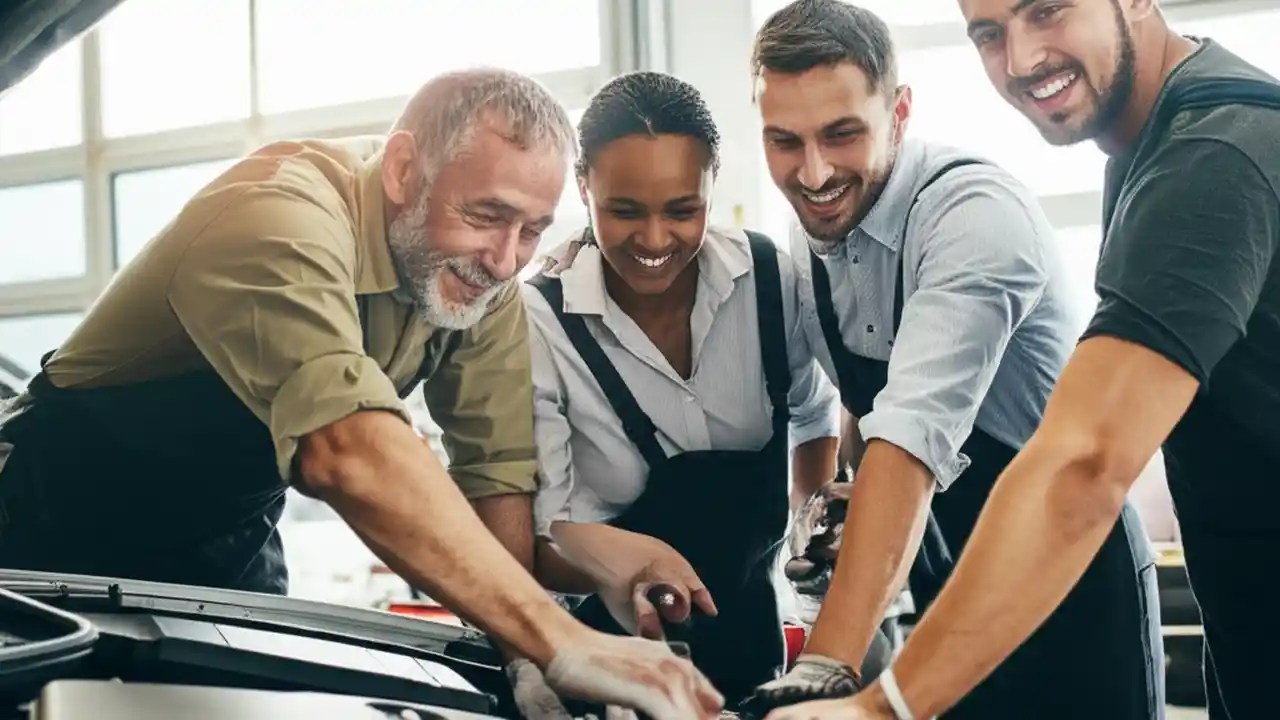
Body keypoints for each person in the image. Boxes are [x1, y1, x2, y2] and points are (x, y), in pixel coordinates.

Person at [0, 68, 721, 720]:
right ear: (404, 169)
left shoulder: (483, 283)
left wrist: (523, 657)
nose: (506, 259)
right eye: (485, 216)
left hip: (226, 540)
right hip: (54, 521)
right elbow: (345, 449)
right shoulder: (275, 218)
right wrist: (563, 639)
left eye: (532, 229)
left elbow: (494, 478)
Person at [769, 0, 1280, 718]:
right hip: (1247, 632)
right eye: (988, 34)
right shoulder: (1153, 147)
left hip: (1082, 595)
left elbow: (1084, 462)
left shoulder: (1210, 157)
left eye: (1047, 10)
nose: (1020, 60)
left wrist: (874, 705)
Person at [514, 70, 849, 714]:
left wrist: (811, 524)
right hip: (606, 661)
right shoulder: (539, 321)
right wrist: (627, 563)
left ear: (713, 185)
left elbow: (811, 414)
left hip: (755, 650)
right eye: (624, 210)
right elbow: (537, 534)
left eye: (682, 209)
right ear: (583, 188)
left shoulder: (770, 281)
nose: (655, 240)